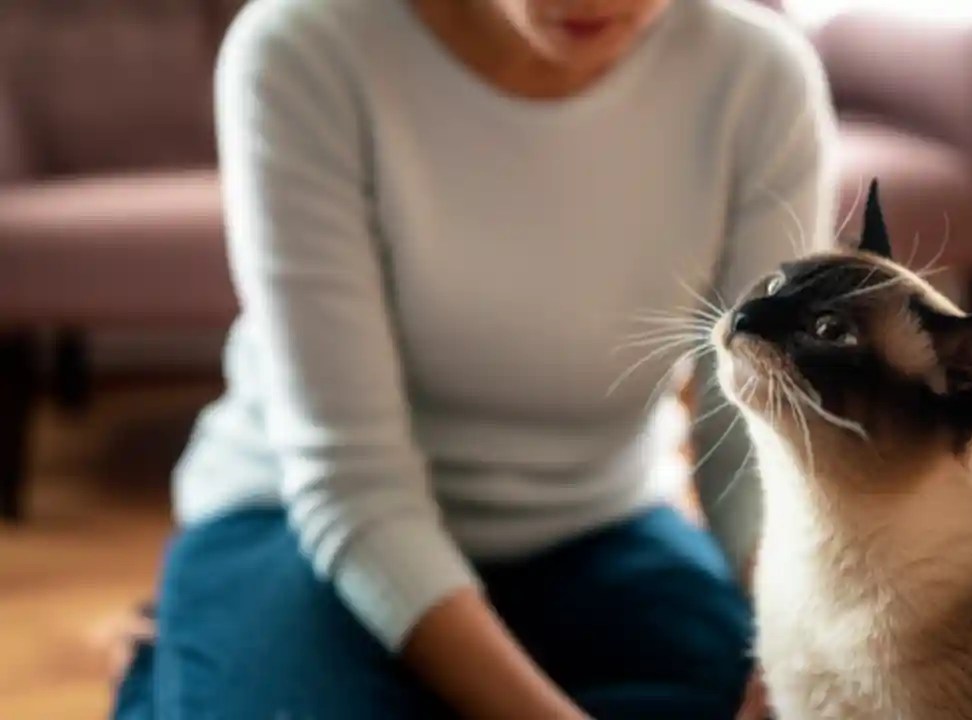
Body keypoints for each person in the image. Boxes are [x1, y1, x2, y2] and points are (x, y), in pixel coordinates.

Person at [112, 0, 836, 717]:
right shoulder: (304, 45)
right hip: (296, 522)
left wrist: (794, 641)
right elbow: (353, 480)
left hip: (596, 524)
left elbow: (752, 440)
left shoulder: (758, 76)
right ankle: (186, 661)